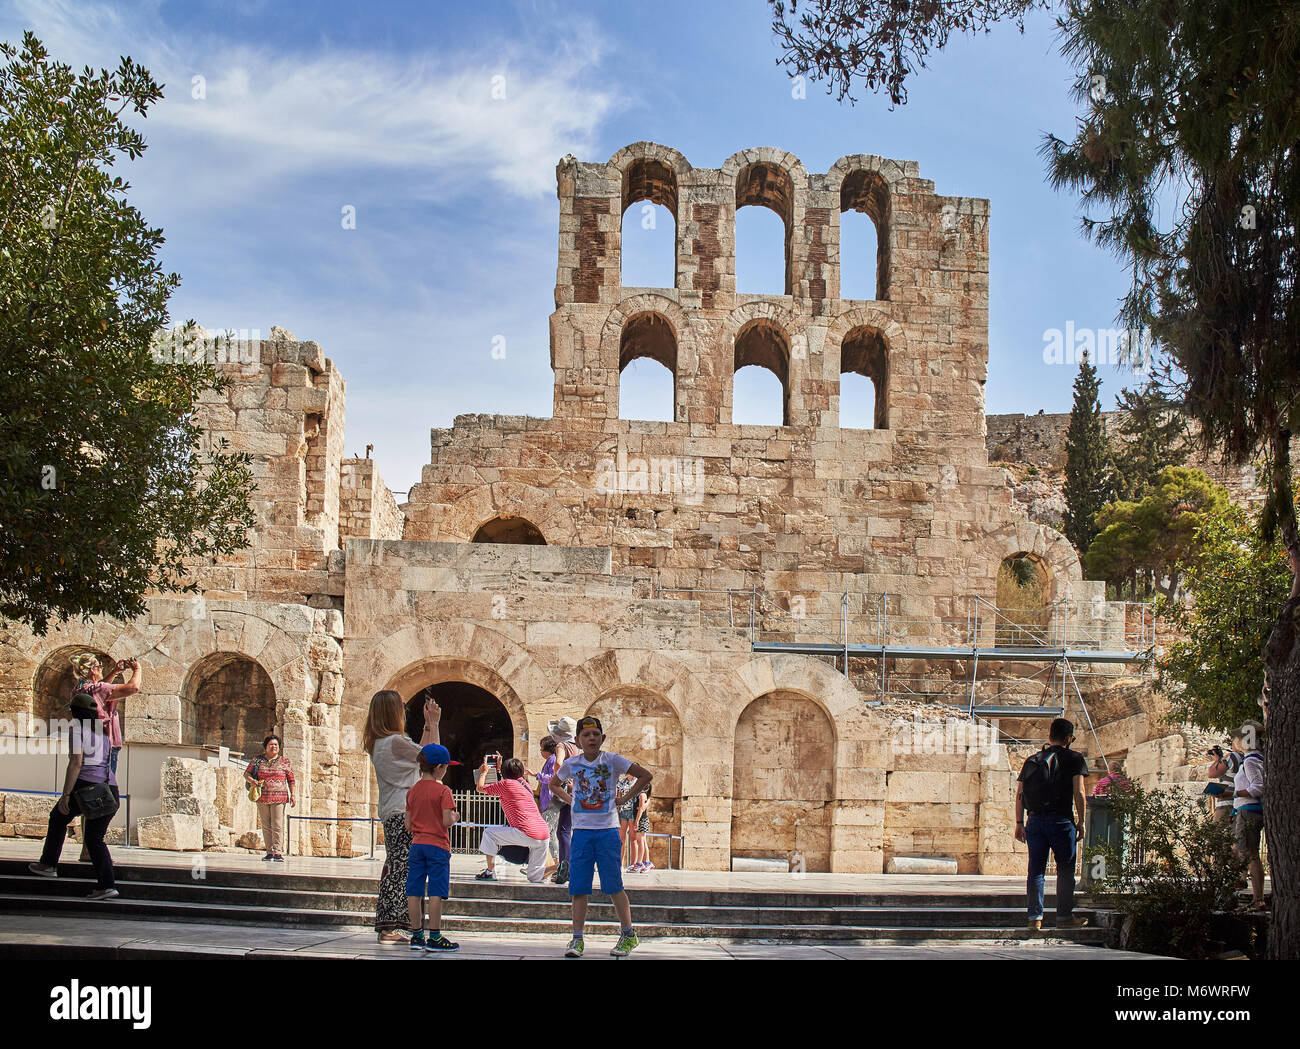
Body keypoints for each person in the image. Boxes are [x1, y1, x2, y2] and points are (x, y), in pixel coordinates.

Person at [549, 715, 652, 958]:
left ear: (602, 738)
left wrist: (625, 799)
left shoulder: (613, 760)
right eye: (586, 735)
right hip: (583, 833)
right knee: (579, 888)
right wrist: (570, 799)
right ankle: (576, 939)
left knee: (613, 885)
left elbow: (645, 775)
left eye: (596, 734)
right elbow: (554, 784)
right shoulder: (572, 764)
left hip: (607, 832)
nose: (591, 738)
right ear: (578, 740)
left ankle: (628, 934)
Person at [364, 689, 442, 944]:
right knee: (401, 868)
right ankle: (388, 928)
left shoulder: (381, 743)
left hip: (391, 810)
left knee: (398, 866)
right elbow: (431, 758)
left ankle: (394, 925)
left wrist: (427, 727)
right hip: (404, 812)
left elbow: (417, 751)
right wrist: (434, 723)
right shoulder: (396, 741)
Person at [28, 694, 121, 899]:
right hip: (109, 788)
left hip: (87, 785)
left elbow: (76, 762)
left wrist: (66, 795)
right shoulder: (104, 732)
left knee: (58, 817)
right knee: (95, 838)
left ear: (75, 711)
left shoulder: (78, 729)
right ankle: (107, 885)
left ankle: (49, 863)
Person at [1014, 717, 1089, 933]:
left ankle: (1034, 918)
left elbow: (1020, 794)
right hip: (1061, 821)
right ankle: (1064, 916)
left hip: (1034, 821)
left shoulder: (1032, 759)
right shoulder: (1075, 758)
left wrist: (1019, 822)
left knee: (1036, 870)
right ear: (1069, 738)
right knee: (1065, 870)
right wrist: (1081, 821)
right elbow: (1079, 792)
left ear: (1049, 737)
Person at [406, 743, 461, 952]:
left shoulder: (412, 791)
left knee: (415, 890)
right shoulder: (443, 791)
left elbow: (408, 824)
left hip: (417, 845)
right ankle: (435, 936)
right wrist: (455, 816)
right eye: (446, 767)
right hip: (438, 846)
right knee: (436, 892)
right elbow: (447, 820)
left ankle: (417, 936)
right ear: (439, 768)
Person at [474, 757, 550, 882]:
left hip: (526, 832)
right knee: (534, 877)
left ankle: (490, 872)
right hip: (543, 834)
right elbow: (510, 778)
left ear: (504, 773)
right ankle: (559, 867)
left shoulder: (506, 784)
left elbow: (480, 788)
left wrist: (484, 773)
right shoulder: (525, 785)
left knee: (489, 833)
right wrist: (500, 769)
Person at [1229, 720, 1266, 910]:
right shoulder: (1254, 759)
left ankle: (1258, 899)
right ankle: (1255, 896)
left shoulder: (1251, 761)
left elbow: (1257, 787)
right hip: (1245, 810)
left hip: (1249, 810)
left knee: (1250, 854)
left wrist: (1233, 794)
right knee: (1245, 851)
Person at [244, 735, 295, 861]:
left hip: (279, 797)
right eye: (271, 745)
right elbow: (246, 774)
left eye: (276, 745)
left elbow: (291, 779)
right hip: (262, 796)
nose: (274, 747)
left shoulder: (284, 761)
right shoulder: (258, 760)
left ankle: (277, 852)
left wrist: (293, 794)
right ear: (266, 747)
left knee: (277, 824)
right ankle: (269, 852)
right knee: (266, 825)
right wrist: (253, 781)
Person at [548, 717, 581, 885]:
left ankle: (564, 867)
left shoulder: (561, 746)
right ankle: (568, 867)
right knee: (567, 830)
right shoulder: (576, 748)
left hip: (564, 791)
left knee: (559, 830)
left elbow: (559, 763)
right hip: (575, 790)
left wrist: (560, 780)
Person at [536, 734, 563, 878]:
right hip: (547, 801)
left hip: (552, 801)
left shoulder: (553, 760)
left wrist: (537, 775)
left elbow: (552, 778)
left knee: (547, 833)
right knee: (550, 833)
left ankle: (555, 864)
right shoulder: (549, 760)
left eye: (542, 749)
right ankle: (553, 865)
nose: (541, 752)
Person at [1203, 744, 1241, 824]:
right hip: (1239, 803)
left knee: (1219, 830)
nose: (1231, 747)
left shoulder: (1232, 756)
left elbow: (1211, 773)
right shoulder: (1246, 758)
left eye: (1232, 744)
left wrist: (1217, 759)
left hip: (1227, 802)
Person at [632, 782, 654, 872]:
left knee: (640, 841)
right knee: (643, 841)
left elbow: (640, 809)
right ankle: (647, 862)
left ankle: (639, 863)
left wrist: (636, 822)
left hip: (641, 821)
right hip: (642, 820)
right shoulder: (642, 795)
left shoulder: (642, 795)